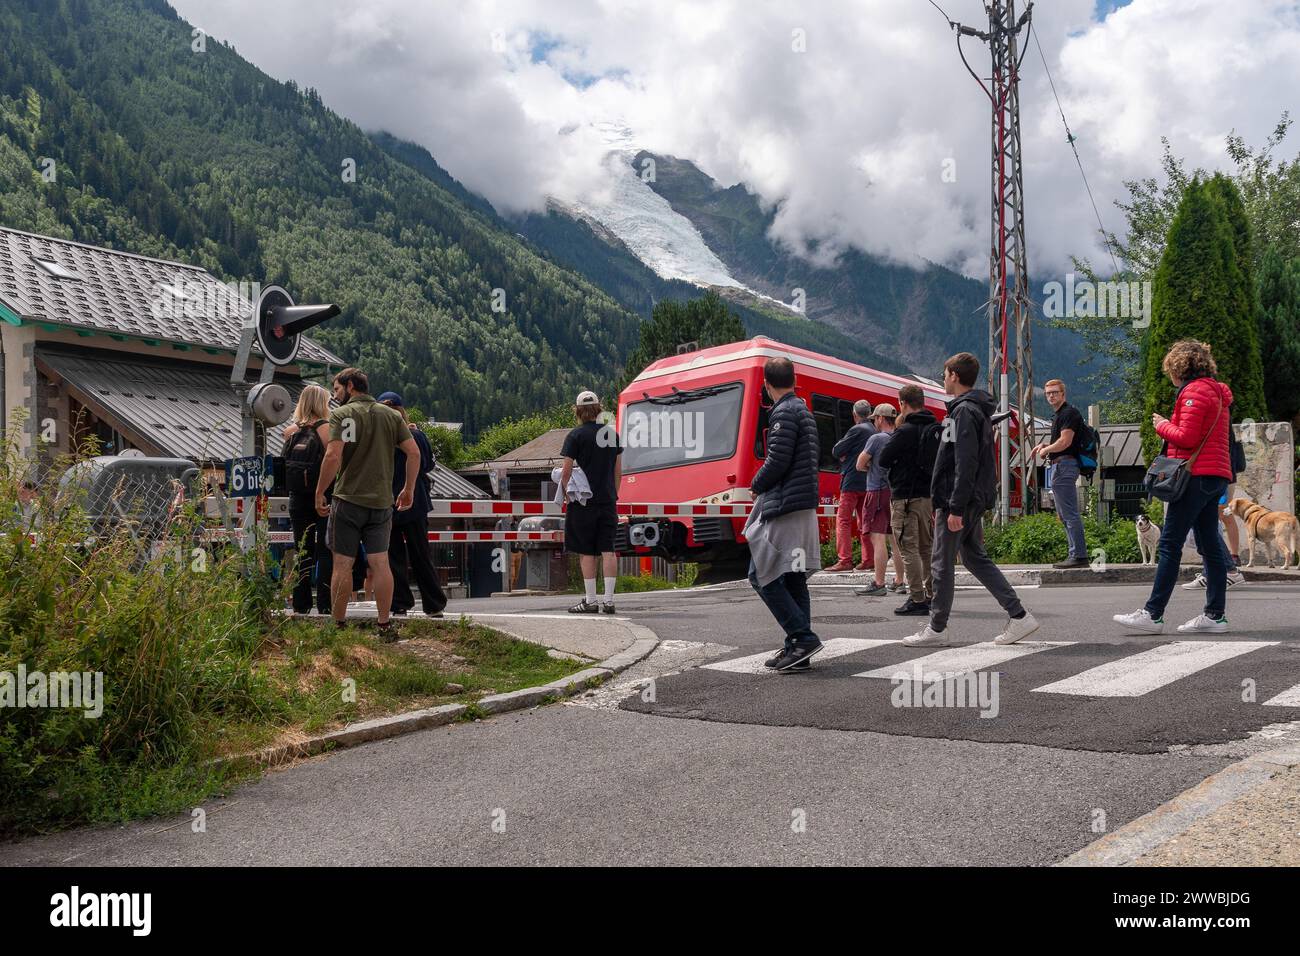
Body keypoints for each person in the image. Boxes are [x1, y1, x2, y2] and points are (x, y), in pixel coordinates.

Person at [905, 352, 1039, 648]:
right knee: (973, 557)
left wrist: (954, 506)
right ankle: (1019, 616)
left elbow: (964, 462)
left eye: (944, 374)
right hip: (969, 497)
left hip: (959, 499)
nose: (943, 379)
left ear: (954, 375)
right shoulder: (970, 409)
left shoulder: (963, 411)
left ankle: (937, 628)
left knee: (941, 562)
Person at [1114, 340, 1234, 634]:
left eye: (1171, 368)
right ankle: (1214, 615)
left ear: (1180, 367)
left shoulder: (1194, 392)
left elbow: (1187, 437)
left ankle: (1153, 613)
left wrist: (1162, 424)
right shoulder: (1217, 392)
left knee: (1169, 544)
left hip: (1195, 476)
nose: (1170, 375)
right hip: (1214, 474)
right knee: (1210, 546)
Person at [314, 367, 420, 637]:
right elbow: (414, 453)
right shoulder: (390, 416)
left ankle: (338, 625)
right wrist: (408, 489)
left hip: (348, 500)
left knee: (342, 564)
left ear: (350, 386)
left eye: (337, 389)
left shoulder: (341, 414)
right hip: (381, 502)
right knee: (380, 563)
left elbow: (332, 456)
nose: (335, 396)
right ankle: (384, 624)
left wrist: (320, 491)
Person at [747, 356, 824, 672]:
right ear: (793, 379)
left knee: (761, 575)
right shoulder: (802, 410)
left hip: (785, 508)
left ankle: (802, 637)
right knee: (792, 577)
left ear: (766, 385)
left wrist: (756, 483)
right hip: (802, 505)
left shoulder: (783, 413)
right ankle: (798, 647)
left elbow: (777, 461)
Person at [378, 391, 447, 618]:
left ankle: (399, 603)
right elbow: (427, 465)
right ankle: (433, 603)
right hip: (415, 500)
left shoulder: (380, 437)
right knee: (421, 554)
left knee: (393, 556)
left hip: (387, 501)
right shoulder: (416, 436)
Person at [562, 390, 622, 614]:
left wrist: (567, 496)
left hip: (583, 503)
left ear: (577, 411)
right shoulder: (611, 435)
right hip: (607, 501)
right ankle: (608, 601)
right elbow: (619, 471)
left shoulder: (575, 436)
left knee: (587, 551)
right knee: (608, 550)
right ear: (598, 408)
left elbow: (566, 472)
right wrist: (613, 495)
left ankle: (590, 600)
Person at [878, 384, 936, 616]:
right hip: (927, 496)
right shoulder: (934, 427)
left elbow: (883, 458)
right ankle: (933, 594)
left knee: (907, 548)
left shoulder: (905, 431)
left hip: (905, 497)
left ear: (902, 403)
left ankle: (917, 598)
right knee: (926, 547)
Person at [283, 383, 334, 614]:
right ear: (322, 403)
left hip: (297, 498)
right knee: (325, 550)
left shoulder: (290, 431)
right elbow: (334, 461)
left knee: (301, 549)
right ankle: (325, 604)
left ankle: (301, 603)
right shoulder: (327, 429)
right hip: (323, 496)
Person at [1031, 379, 1089, 569]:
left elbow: (1065, 443)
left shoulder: (1068, 413)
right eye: (1048, 393)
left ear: (1063, 394)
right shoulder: (1060, 415)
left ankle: (1079, 555)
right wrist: (1046, 445)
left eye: (1055, 392)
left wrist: (1046, 451)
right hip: (1062, 465)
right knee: (1064, 514)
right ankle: (1075, 553)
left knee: (1069, 513)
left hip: (1065, 466)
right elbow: (1062, 443)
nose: (1051, 396)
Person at [852, 403, 898, 596]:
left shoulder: (876, 439)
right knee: (894, 538)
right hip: (893, 491)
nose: (874, 423)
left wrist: (870, 465)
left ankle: (879, 583)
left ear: (880, 418)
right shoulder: (898, 437)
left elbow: (859, 464)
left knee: (877, 537)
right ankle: (900, 580)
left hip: (876, 490)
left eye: (875, 419)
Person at [826, 400, 875, 572]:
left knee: (844, 520)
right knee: (865, 521)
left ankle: (844, 560)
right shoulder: (873, 430)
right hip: (868, 481)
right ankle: (868, 559)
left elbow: (836, 451)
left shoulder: (857, 429)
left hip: (851, 481)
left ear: (855, 415)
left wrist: (845, 456)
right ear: (869, 413)